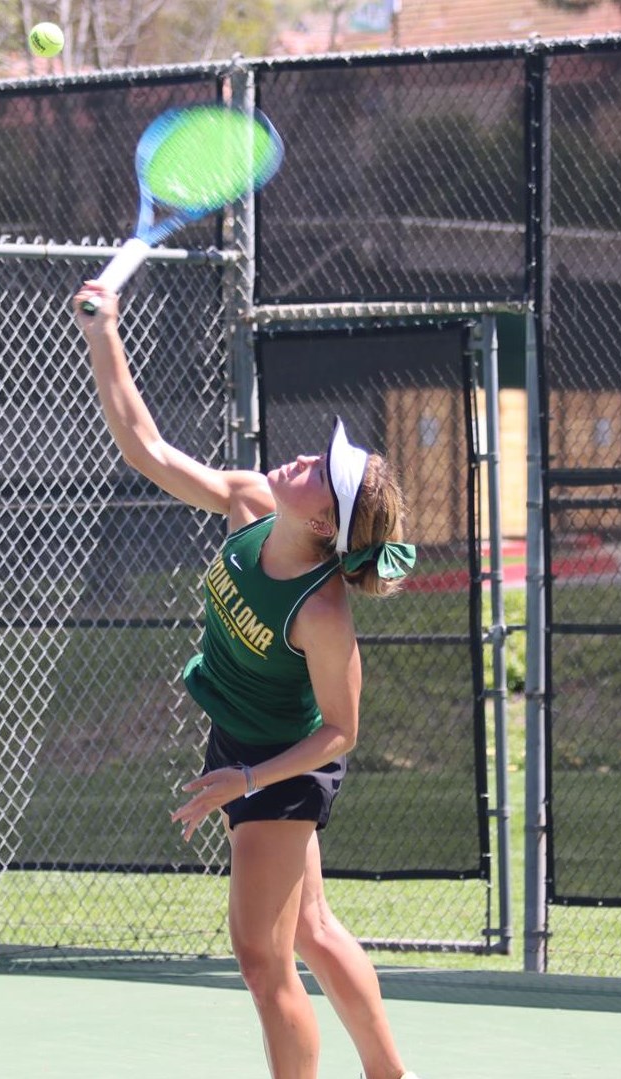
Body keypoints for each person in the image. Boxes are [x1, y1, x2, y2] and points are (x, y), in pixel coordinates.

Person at [73, 280, 421, 1079]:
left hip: (286, 762)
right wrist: (105, 335)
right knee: (312, 929)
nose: (302, 455)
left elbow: (340, 732)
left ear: (325, 523)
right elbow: (147, 449)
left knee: (260, 961)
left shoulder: (323, 614)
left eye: (319, 469)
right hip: (241, 741)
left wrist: (245, 779)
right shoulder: (250, 503)